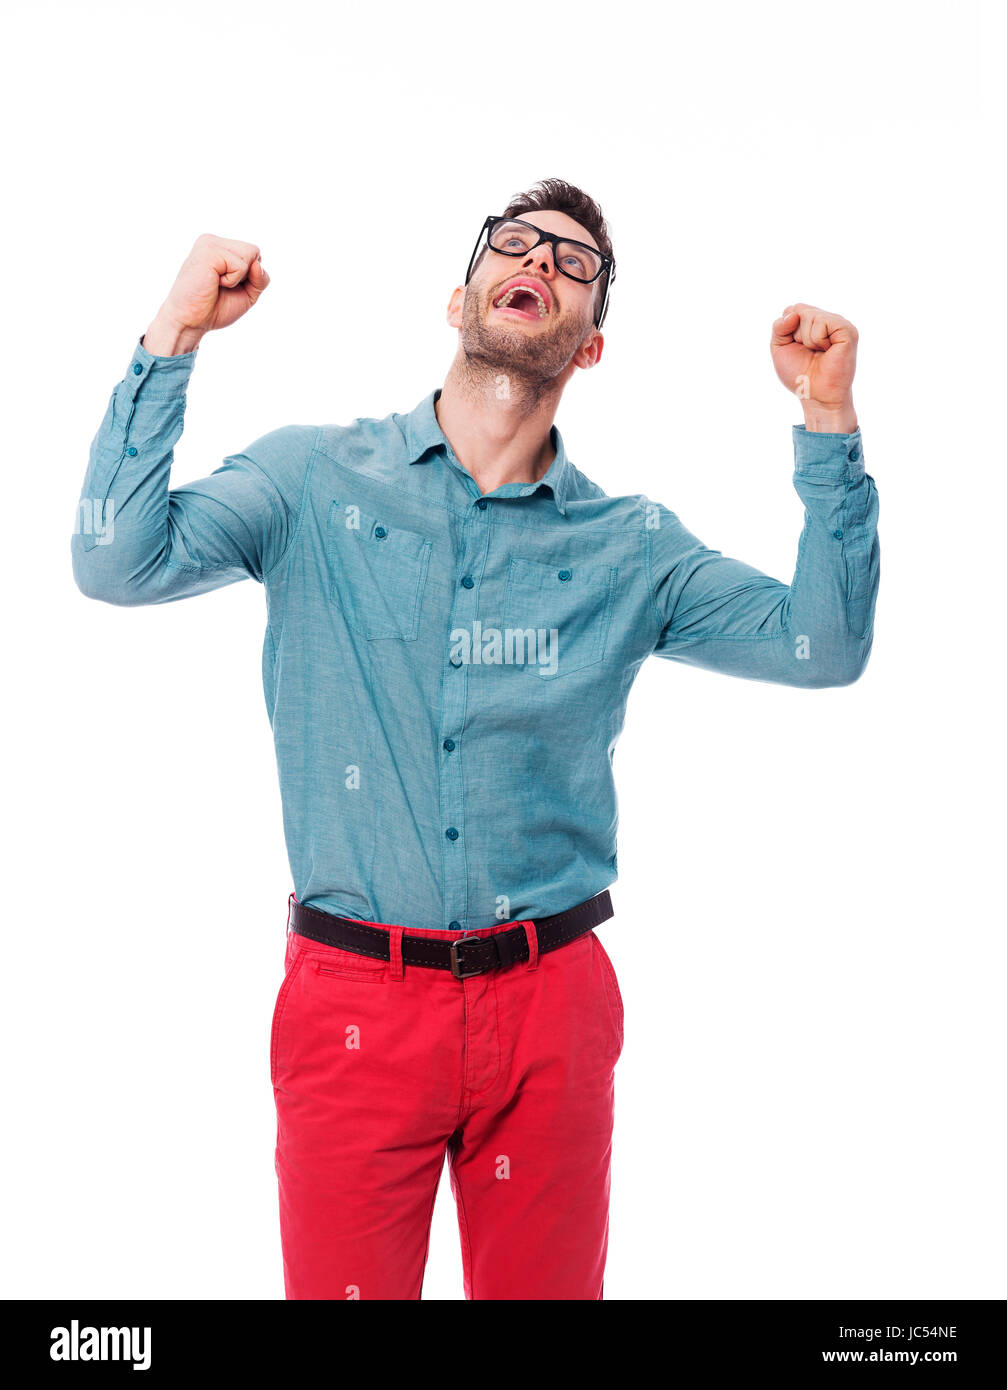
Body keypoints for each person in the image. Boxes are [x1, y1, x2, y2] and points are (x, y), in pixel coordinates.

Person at [72, 178, 880, 1300]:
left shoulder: (631, 547)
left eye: (572, 262)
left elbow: (820, 645)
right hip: (353, 1002)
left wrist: (826, 423)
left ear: (587, 347)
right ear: (460, 295)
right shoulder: (311, 480)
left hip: (549, 1004)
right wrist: (173, 335)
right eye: (515, 243)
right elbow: (117, 561)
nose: (539, 261)